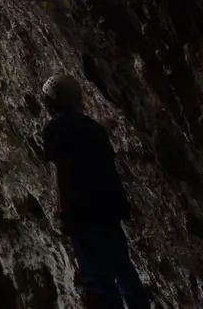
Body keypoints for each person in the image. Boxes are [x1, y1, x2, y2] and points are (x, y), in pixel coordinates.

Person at [41, 74, 150, 309]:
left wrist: (63, 210)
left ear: (52, 101)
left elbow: (63, 170)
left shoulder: (56, 129)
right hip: (109, 206)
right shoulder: (93, 127)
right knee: (122, 268)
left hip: (83, 209)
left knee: (98, 276)